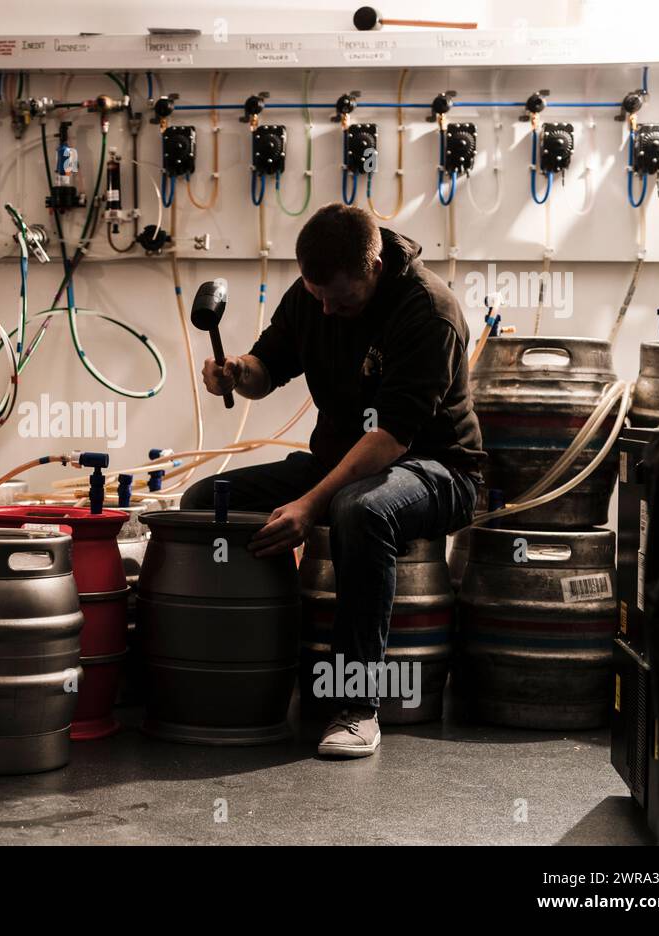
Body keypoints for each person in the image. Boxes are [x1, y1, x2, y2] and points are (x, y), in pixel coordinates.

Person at [182, 203, 484, 759]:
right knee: (205, 500)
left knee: (359, 510)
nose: (326, 307)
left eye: (339, 299)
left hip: (438, 468)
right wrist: (236, 372)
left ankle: (357, 705)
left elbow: (391, 439)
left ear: (373, 265)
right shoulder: (314, 295)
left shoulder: (428, 311)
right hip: (340, 464)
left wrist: (308, 503)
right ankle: (237, 670)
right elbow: (267, 368)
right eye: (317, 296)